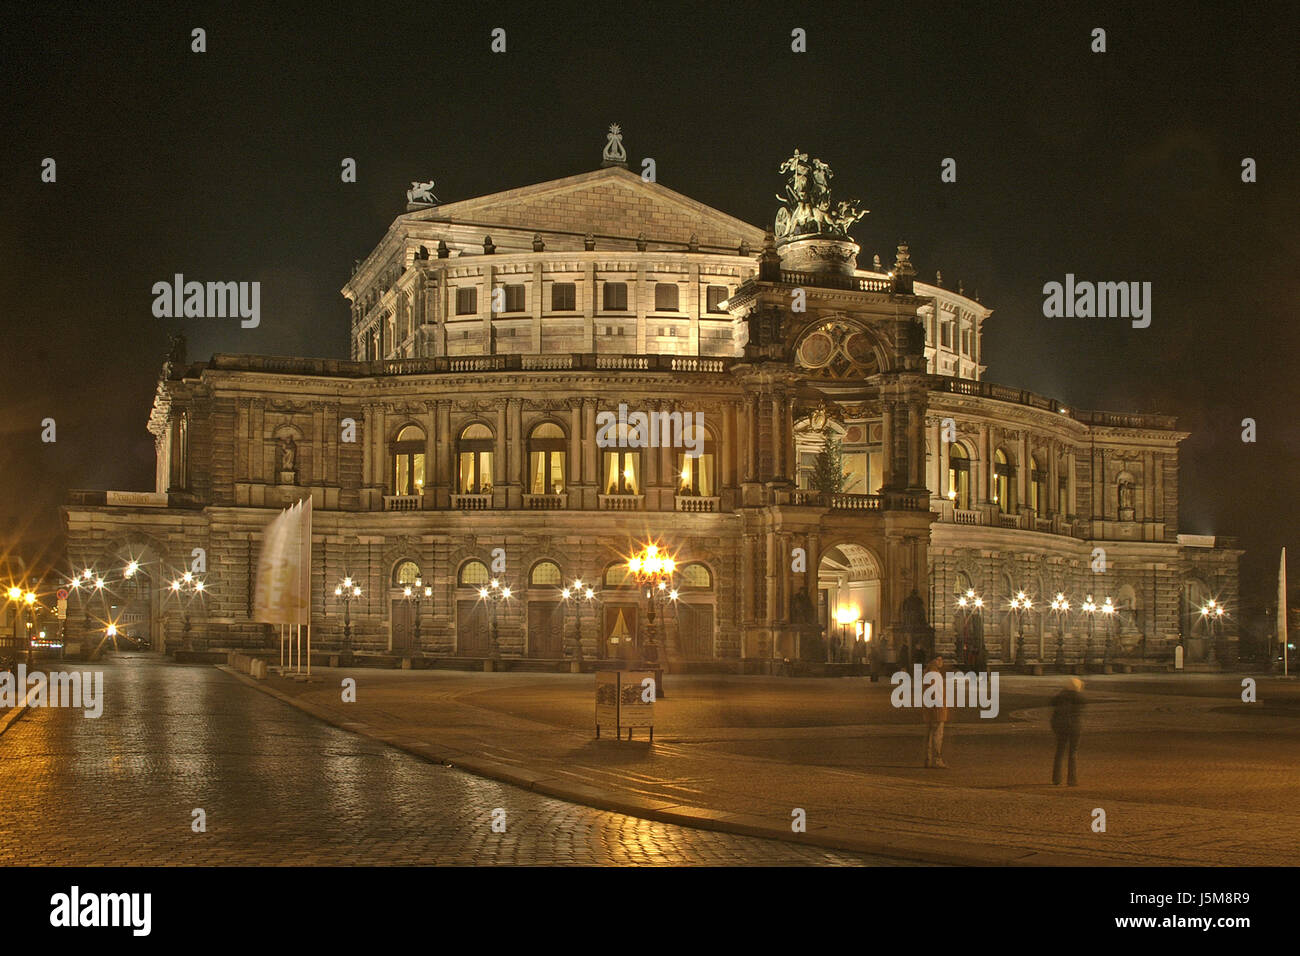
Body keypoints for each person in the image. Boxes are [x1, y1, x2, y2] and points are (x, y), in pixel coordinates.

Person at [1051, 677, 1086, 786]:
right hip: (1075, 726)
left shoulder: (1060, 697)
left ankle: (1056, 778)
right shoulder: (1079, 697)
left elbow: (1053, 705)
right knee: (1073, 752)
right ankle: (1072, 780)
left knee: (1060, 752)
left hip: (1062, 726)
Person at [924, 655, 949, 768]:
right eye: (939, 659)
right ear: (934, 660)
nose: (941, 662)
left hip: (930, 709)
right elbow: (935, 692)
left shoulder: (928, 672)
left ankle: (928, 759)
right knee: (937, 735)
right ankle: (937, 760)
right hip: (937, 710)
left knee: (930, 735)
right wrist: (940, 707)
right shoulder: (935, 674)